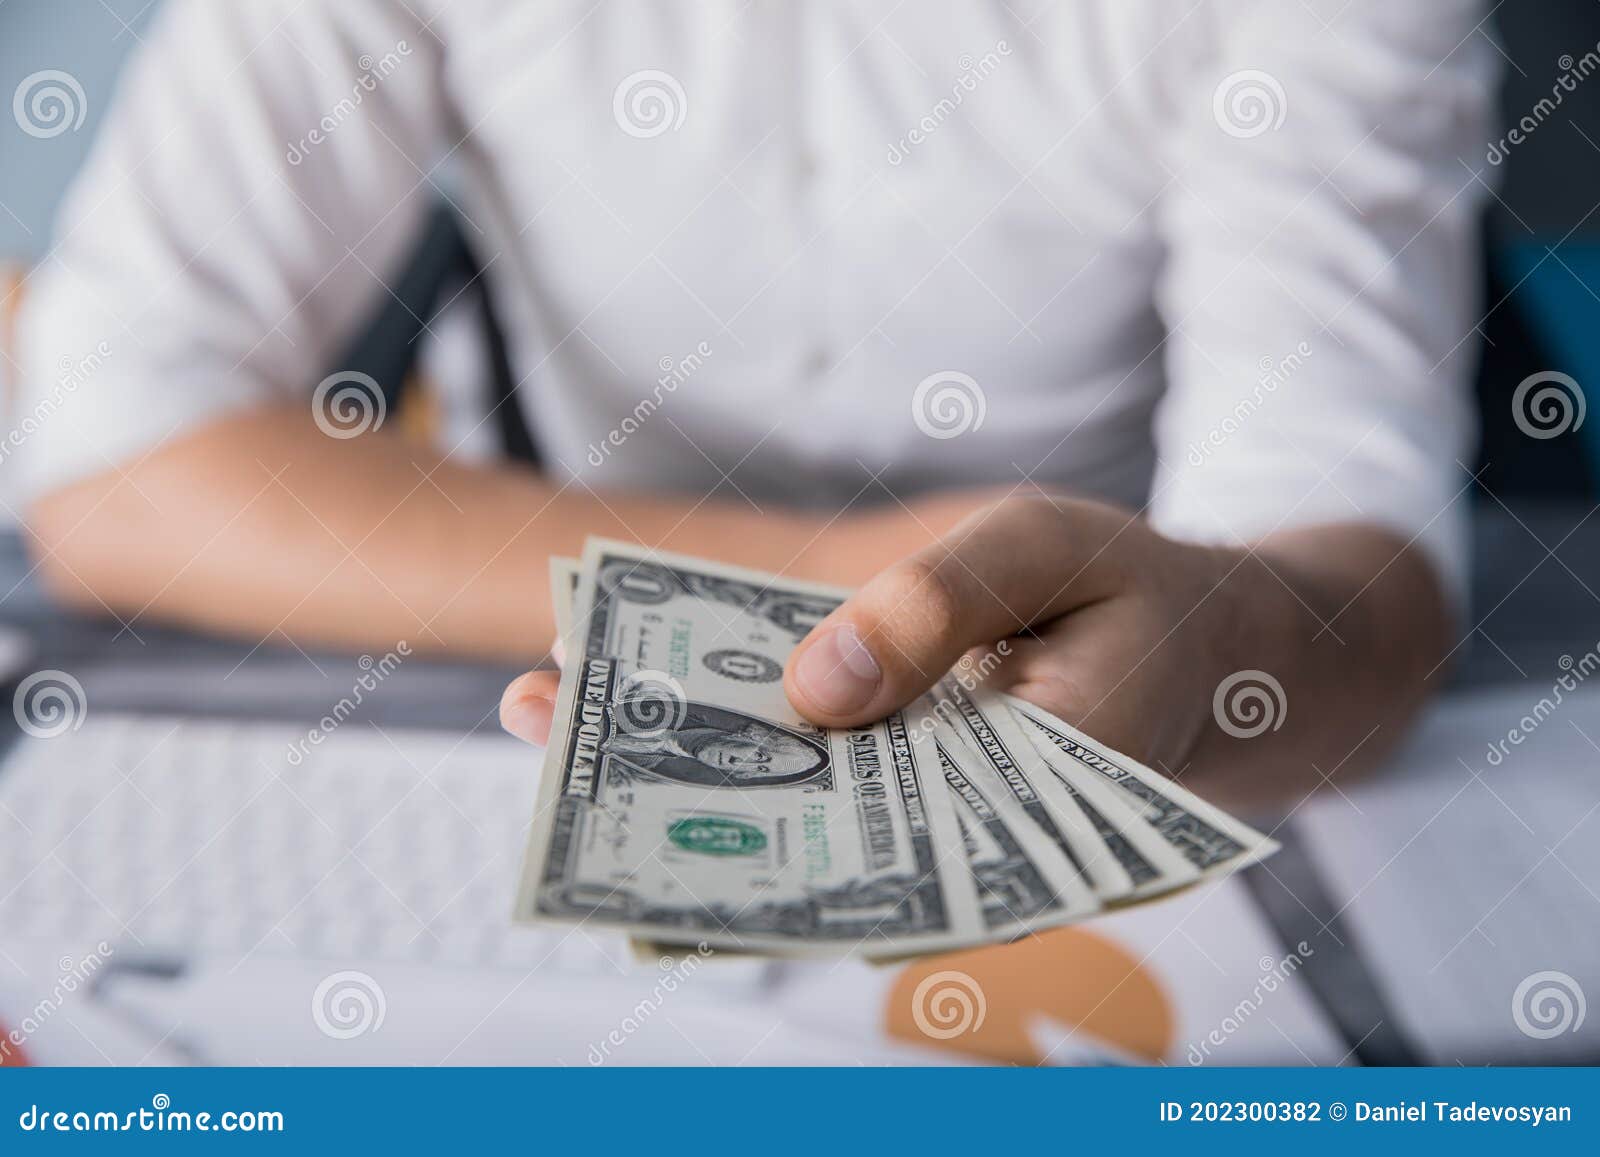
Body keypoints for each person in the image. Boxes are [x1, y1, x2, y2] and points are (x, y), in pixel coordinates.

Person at [16, 0, 1496, 806]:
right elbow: (106, 451)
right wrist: (847, 593)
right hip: (528, 679)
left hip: (1108, 700)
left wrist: (1195, 633)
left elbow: (1351, 570)